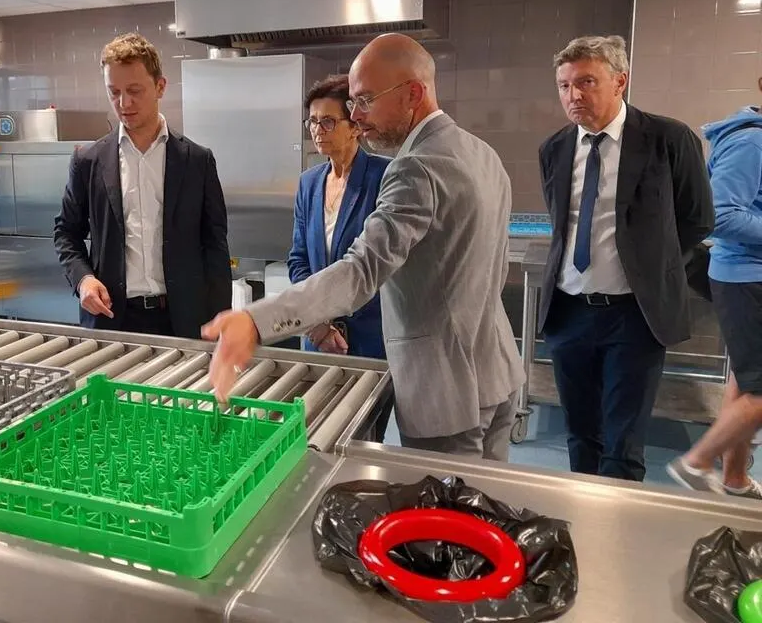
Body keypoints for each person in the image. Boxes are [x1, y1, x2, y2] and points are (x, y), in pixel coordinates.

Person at [203, 33, 525, 461]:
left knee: (445, 519)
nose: (357, 115)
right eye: (353, 103)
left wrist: (257, 321)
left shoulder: (414, 168)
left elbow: (361, 270)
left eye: (366, 100)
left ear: (413, 93)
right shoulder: (483, 154)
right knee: (483, 516)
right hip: (497, 373)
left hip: (447, 393)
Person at [538, 35, 713, 482]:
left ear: (620, 82)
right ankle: (581, 521)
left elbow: (697, 219)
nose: (573, 95)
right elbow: (563, 223)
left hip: (634, 316)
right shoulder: (554, 149)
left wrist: (656, 269)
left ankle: (616, 536)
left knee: (623, 444)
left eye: (586, 82)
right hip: (569, 311)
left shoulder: (668, 139)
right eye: (563, 85)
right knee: (580, 436)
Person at [53, 32, 231, 338]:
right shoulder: (88, 161)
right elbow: (66, 233)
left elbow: (215, 245)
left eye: (135, 90)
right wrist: (83, 280)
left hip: (183, 320)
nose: (124, 103)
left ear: (160, 86)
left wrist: (221, 320)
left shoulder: (197, 161)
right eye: (114, 92)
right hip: (111, 319)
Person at [669, 89, 762, 498]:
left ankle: (735, 478)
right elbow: (720, 215)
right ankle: (697, 462)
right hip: (748, 277)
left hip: (747, 275)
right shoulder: (752, 140)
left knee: (743, 383)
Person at [289, 74, 389, 359]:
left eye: (328, 122)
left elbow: (383, 266)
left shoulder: (384, 176)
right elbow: (298, 259)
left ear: (355, 126)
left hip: (370, 337)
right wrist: (317, 323)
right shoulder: (309, 183)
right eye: (312, 122)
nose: (317, 130)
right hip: (318, 337)